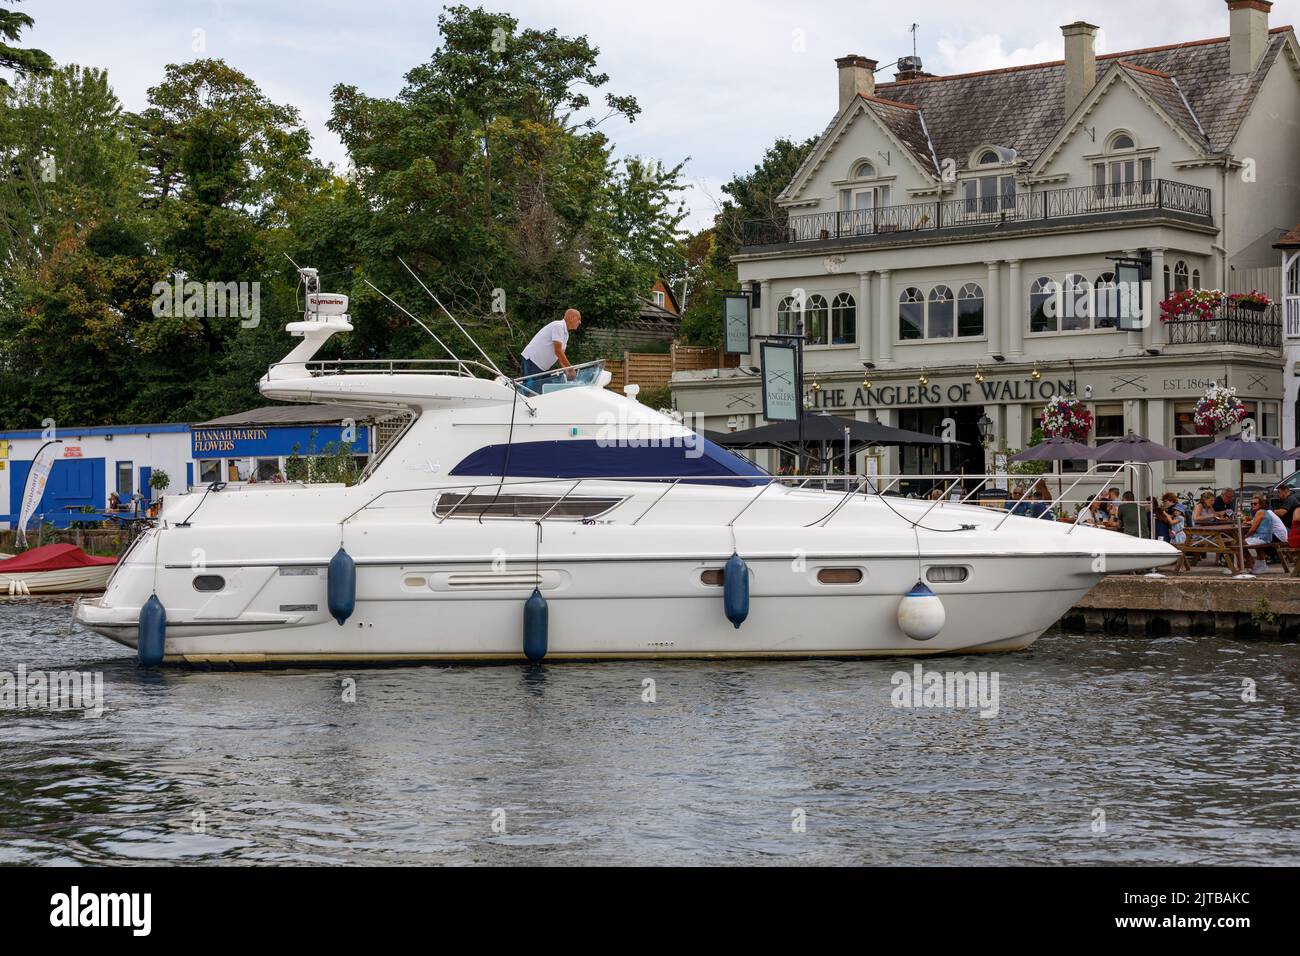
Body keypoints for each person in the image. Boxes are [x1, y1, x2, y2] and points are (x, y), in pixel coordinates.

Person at [520, 308, 582, 385]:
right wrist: (570, 368)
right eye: (579, 319)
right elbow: (558, 351)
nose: (580, 322)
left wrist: (566, 370)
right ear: (572, 318)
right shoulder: (558, 326)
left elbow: (560, 356)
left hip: (542, 367)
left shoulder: (566, 334)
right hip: (532, 361)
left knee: (545, 390)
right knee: (531, 392)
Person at [1245, 493, 1287, 573]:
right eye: (1251, 504)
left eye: (1255, 503)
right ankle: (1260, 566)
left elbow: (1253, 529)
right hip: (1267, 537)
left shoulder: (1260, 512)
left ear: (1261, 504)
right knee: (1255, 545)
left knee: (1238, 545)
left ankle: (1248, 565)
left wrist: (1245, 537)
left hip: (1270, 537)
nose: (1253, 505)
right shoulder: (1265, 512)